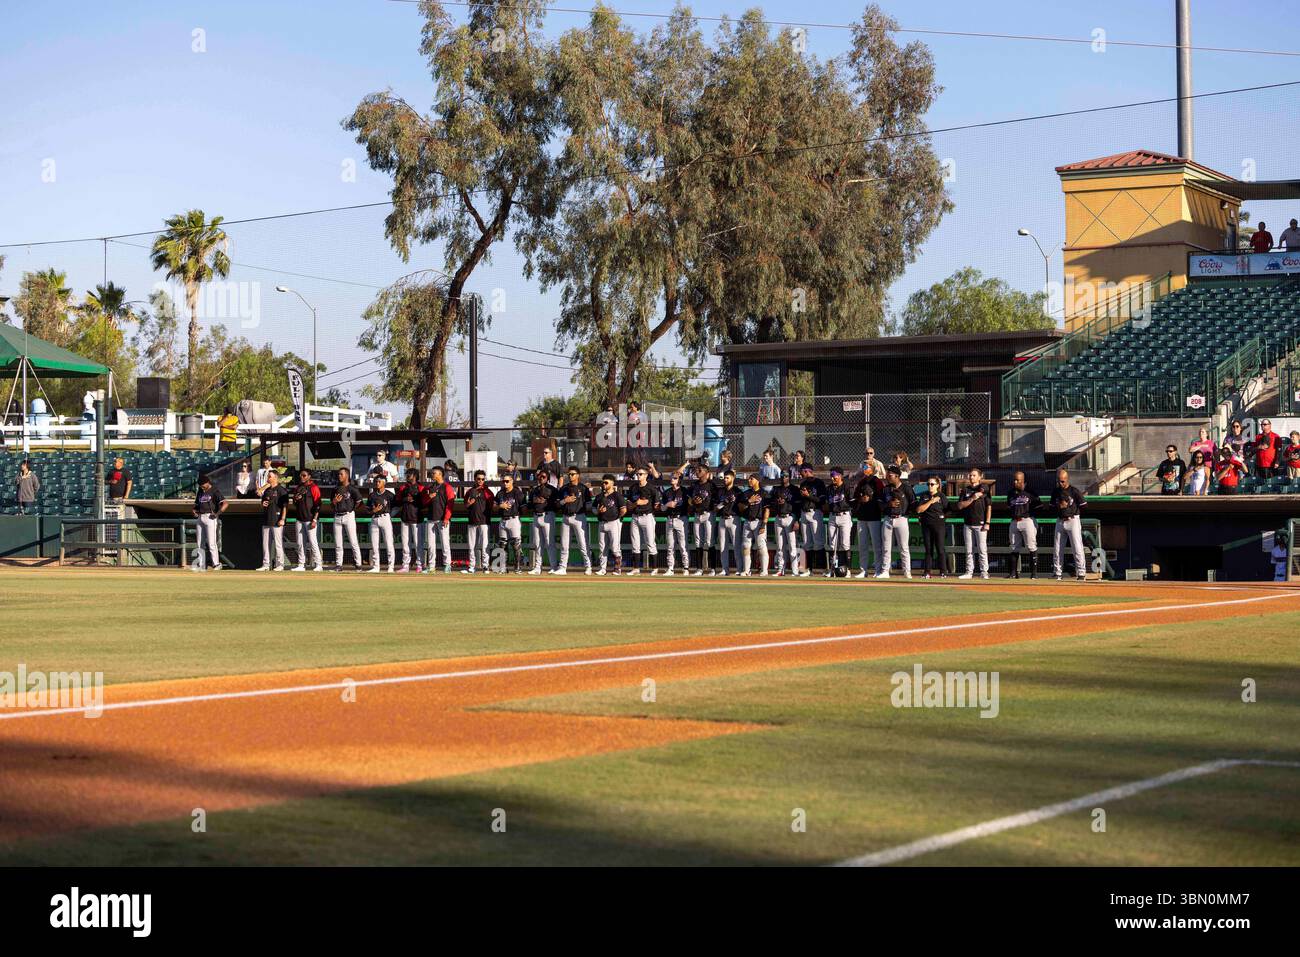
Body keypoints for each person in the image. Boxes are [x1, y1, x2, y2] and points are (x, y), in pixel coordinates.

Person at [876, 465, 914, 579]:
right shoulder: (886, 489)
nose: (887, 476)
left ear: (897, 476)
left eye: (890, 474)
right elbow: (880, 504)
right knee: (886, 547)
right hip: (888, 519)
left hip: (901, 518)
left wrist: (907, 512)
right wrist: (889, 504)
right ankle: (885, 571)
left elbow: (913, 503)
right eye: (888, 474)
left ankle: (907, 572)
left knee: (904, 547)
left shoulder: (906, 487)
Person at [552, 467, 592, 575]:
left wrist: (586, 509)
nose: (570, 476)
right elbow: (556, 504)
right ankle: (562, 567)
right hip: (566, 517)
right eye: (569, 474)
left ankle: (588, 566)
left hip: (579, 517)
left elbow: (589, 505)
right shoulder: (564, 488)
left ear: (578, 475)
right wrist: (565, 500)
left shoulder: (583, 488)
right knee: (564, 544)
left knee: (583, 544)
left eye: (573, 474)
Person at [1049, 468, 1087, 581]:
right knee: (1057, 548)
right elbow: (1050, 507)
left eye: (1062, 481)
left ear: (1067, 480)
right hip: (1060, 520)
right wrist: (1059, 507)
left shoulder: (1074, 491)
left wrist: (1072, 509)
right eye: (1059, 481)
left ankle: (1081, 573)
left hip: (1073, 520)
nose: (1060, 483)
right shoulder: (1056, 492)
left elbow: (1084, 505)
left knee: (1077, 547)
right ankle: (1057, 572)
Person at [956, 468, 990, 580]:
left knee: (982, 549)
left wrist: (987, 522)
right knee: (969, 549)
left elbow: (988, 506)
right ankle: (969, 572)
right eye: (970, 475)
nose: (971, 477)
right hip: (967, 524)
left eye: (974, 475)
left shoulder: (984, 489)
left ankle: (984, 572)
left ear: (979, 477)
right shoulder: (965, 490)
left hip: (980, 524)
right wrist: (971, 499)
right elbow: (960, 505)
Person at [852, 461, 884, 579]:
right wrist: (861, 499)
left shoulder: (877, 481)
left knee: (876, 545)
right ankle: (863, 570)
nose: (865, 469)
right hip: (862, 517)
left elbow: (881, 497)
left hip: (874, 517)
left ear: (873, 469)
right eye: (863, 467)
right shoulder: (861, 482)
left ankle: (878, 570)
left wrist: (870, 499)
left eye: (867, 467)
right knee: (862, 545)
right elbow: (855, 498)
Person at [1006, 471, 1041, 579]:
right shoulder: (1011, 493)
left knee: (1031, 546)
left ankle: (1034, 575)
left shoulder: (1030, 492)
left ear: (1023, 481)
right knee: (1013, 548)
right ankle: (1013, 573)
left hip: (1027, 520)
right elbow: (1008, 506)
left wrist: (1030, 515)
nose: (1015, 482)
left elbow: (1039, 506)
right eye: (1014, 480)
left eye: (1017, 480)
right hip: (1014, 521)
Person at [626, 467, 660, 575]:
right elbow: (629, 505)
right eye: (637, 474)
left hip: (647, 516)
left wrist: (650, 507)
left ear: (646, 475)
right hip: (635, 516)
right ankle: (636, 568)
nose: (638, 476)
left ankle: (654, 568)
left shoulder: (651, 488)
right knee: (635, 543)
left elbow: (657, 505)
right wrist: (637, 503)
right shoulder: (633, 488)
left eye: (641, 474)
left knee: (650, 542)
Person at [422, 466, 456, 574]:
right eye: (432, 473)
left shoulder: (447, 487)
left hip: (442, 519)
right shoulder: (431, 487)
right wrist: (429, 497)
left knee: (445, 543)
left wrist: (446, 518)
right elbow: (424, 502)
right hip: (431, 518)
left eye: (434, 473)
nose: (432, 475)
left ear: (440, 474)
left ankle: (447, 565)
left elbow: (450, 503)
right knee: (431, 545)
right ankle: (431, 566)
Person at [190, 474, 226, 571]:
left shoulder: (214, 490)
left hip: (210, 517)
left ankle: (216, 564)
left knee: (211, 543)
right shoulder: (201, 491)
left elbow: (225, 503)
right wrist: (194, 511)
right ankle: (201, 564)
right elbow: (196, 505)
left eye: (202, 484)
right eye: (200, 485)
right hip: (200, 517)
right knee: (199, 543)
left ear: (207, 482)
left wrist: (217, 513)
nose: (201, 486)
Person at [331, 467, 365, 570]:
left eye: (341, 474)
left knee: (353, 541)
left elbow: (360, 501)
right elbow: (332, 504)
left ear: (347, 475)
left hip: (348, 515)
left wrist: (352, 509)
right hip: (337, 516)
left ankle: (358, 564)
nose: (339, 476)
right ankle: (339, 565)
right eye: (338, 474)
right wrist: (335, 501)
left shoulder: (352, 488)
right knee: (338, 543)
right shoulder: (336, 488)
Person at [737, 473, 770, 576]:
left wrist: (764, 524)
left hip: (759, 521)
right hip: (747, 521)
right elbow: (740, 507)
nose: (749, 480)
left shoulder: (764, 493)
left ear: (757, 480)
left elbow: (767, 509)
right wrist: (748, 502)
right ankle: (746, 570)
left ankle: (764, 570)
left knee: (761, 546)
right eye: (749, 479)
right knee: (746, 546)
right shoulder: (746, 493)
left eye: (752, 479)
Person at [290, 468, 323, 572]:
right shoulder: (298, 487)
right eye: (301, 475)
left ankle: (318, 564)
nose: (302, 477)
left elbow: (318, 505)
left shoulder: (314, 487)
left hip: (310, 519)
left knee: (313, 542)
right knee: (300, 543)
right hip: (299, 518)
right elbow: (294, 502)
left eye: (304, 475)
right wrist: (296, 499)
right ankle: (301, 564)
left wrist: (315, 519)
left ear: (309, 476)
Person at [461, 470, 494, 574]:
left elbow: (492, 506)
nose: (480, 481)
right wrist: (469, 503)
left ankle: (485, 566)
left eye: (483, 479)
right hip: (472, 521)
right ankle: (472, 566)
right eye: (478, 479)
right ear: (475, 479)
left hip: (484, 521)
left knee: (485, 545)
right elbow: (465, 505)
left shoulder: (488, 492)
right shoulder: (470, 491)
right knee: (471, 546)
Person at [915, 475, 948, 579]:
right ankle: (927, 573)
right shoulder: (924, 496)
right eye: (928, 484)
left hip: (938, 525)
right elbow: (919, 510)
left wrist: (942, 518)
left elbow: (947, 509)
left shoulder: (941, 496)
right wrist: (930, 501)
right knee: (928, 550)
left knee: (940, 549)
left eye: (932, 484)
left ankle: (943, 572)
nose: (930, 486)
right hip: (926, 525)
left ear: (937, 485)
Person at [593, 474, 626, 576]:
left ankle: (617, 569)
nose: (604, 484)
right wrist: (598, 511)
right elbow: (594, 509)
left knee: (615, 547)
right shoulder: (599, 496)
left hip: (613, 522)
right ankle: (602, 569)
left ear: (612, 483)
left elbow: (623, 510)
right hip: (602, 522)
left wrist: (617, 517)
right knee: (602, 547)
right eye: (603, 482)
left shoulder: (617, 495)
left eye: (606, 482)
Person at [256, 469, 289, 571]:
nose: (268, 478)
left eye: (269, 476)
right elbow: (264, 503)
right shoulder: (267, 490)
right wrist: (263, 504)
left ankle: (280, 564)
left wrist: (282, 519)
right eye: (267, 477)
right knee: (265, 544)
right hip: (266, 519)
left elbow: (285, 506)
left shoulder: (281, 490)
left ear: (275, 478)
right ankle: (266, 564)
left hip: (277, 520)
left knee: (278, 544)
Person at [823, 468, 853, 578]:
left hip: (844, 515)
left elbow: (851, 501)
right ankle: (833, 570)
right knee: (832, 544)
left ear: (840, 476)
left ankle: (848, 570)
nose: (832, 478)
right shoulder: (829, 488)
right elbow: (827, 503)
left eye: (834, 475)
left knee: (845, 544)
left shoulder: (846, 486)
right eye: (831, 475)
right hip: (832, 516)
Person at [796, 465, 826, 577]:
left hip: (815, 513)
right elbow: (800, 500)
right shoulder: (803, 484)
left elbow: (821, 500)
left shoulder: (819, 483)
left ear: (807, 471)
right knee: (807, 543)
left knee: (818, 543)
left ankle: (821, 569)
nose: (800, 474)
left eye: (802, 471)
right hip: (804, 513)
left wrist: (809, 496)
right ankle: (808, 569)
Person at [494, 471, 526, 574]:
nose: (505, 483)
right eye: (503, 481)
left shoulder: (517, 493)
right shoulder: (500, 493)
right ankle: (503, 567)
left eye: (507, 481)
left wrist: (518, 514)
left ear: (512, 481)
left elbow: (524, 507)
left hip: (513, 519)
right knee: (502, 545)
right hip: (503, 520)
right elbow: (493, 507)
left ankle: (517, 568)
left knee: (516, 545)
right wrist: (500, 506)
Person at [394, 468, 426, 573]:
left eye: (410, 474)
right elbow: (397, 501)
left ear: (415, 475)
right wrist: (405, 499)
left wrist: (415, 500)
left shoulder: (421, 487)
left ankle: (420, 565)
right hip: (405, 518)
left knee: (418, 543)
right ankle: (405, 565)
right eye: (407, 474)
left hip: (417, 519)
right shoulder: (403, 487)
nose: (408, 476)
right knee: (405, 544)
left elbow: (425, 502)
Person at [769, 472, 800, 577]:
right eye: (782, 476)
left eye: (786, 476)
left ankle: (795, 570)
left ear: (789, 477)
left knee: (792, 545)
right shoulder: (776, 489)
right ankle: (781, 570)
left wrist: (797, 520)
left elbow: (798, 506)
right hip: (779, 517)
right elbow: (771, 502)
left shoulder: (794, 489)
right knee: (780, 546)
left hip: (790, 517)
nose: (783, 478)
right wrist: (777, 502)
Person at [659, 472, 690, 575]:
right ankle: (670, 568)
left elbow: (690, 504)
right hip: (670, 519)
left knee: (683, 545)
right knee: (670, 545)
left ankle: (686, 568)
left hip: (681, 519)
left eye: (675, 478)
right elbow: (662, 508)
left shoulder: (685, 491)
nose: (672, 479)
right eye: (672, 477)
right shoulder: (667, 492)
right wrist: (668, 504)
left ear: (679, 480)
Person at [526, 473, 557, 575]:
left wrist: (547, 501)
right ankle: (537, 568)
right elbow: (529, 504)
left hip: (547, 515)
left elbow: (556, 504)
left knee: (549, 543)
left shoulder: (552, 489)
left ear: (547, 478)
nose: (541, 478)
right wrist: (535, 501)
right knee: (537, 544)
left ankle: (553, 567)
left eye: (543, 477)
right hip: (536, 516)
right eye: (539, 477)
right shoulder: (534, 490)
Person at [687, 465, 715, 576]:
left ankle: (713, 569)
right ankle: (699, 569)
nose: (697, 472)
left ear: (706, 472)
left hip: (708, 514)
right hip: (697, 514)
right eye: (697, 470)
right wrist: (693, 501)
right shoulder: (694, 485)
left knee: (709, 541)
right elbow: (688, 498)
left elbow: (716, 499)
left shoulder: (711, 485)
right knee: (698, 542)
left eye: (700, 470)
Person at [365, 475, 396, 573]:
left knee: (389, 543)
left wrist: (391, 514)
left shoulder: (389, 495)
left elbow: (397, 506)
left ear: (384, 483)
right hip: (374, 519)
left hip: (385, 518)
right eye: (376, 481)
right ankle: (376, 566)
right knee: (374, 544)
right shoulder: (372, 495)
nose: (377, 483)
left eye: (379, 481)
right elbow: (367, 509)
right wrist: (373, 510)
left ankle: (391, 566)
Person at [714, 470, 741, 576]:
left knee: (736, 545)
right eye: (724, 478)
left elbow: (742, 507)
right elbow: (715, 508)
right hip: (722, 519)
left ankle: (739, 569)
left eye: (727, 478)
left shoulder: (737, 491)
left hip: (733, 519)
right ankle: (725, 569)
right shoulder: (720, 491)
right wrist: (722, 503)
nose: (725, 480)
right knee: (723, 546)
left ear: (733, 478)